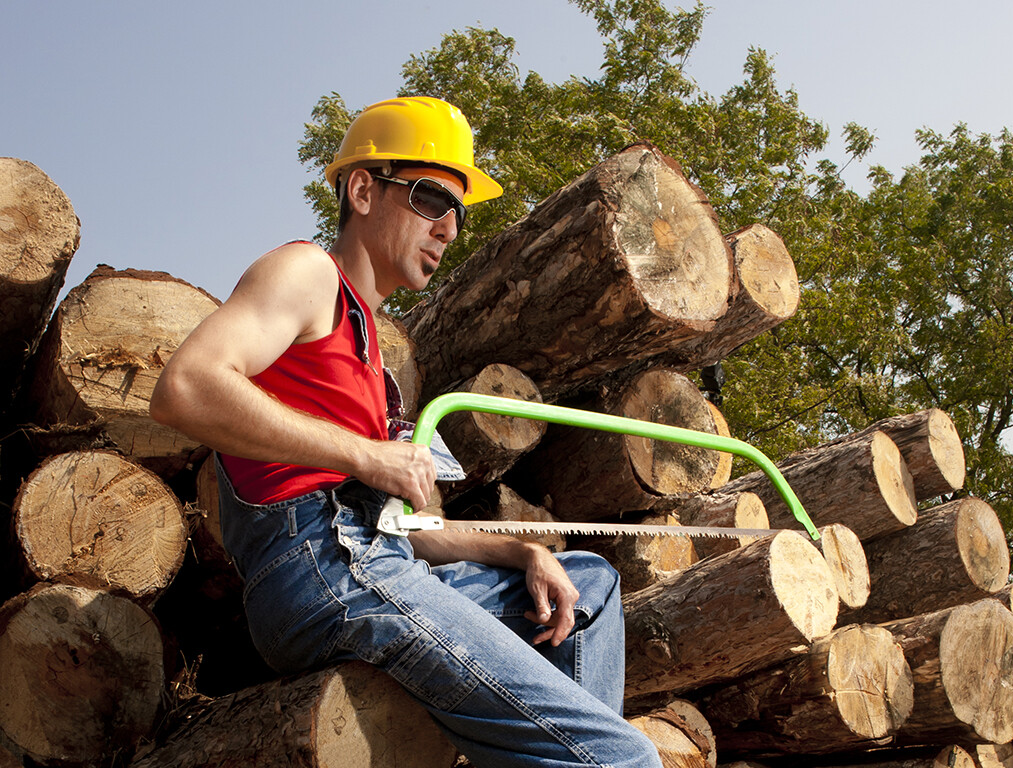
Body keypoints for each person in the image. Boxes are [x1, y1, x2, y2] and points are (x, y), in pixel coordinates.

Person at [150, 96, 661, 767]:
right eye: (430, 198)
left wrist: (522, 552)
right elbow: (185, 387)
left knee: (587, 583)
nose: (448, 228)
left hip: (375, 557)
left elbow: (408, 531)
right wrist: (366, 455)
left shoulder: (376, 368)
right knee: (626, 759)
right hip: (321, 568)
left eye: (458, 212)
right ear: (363, 190)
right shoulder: (307, 273)